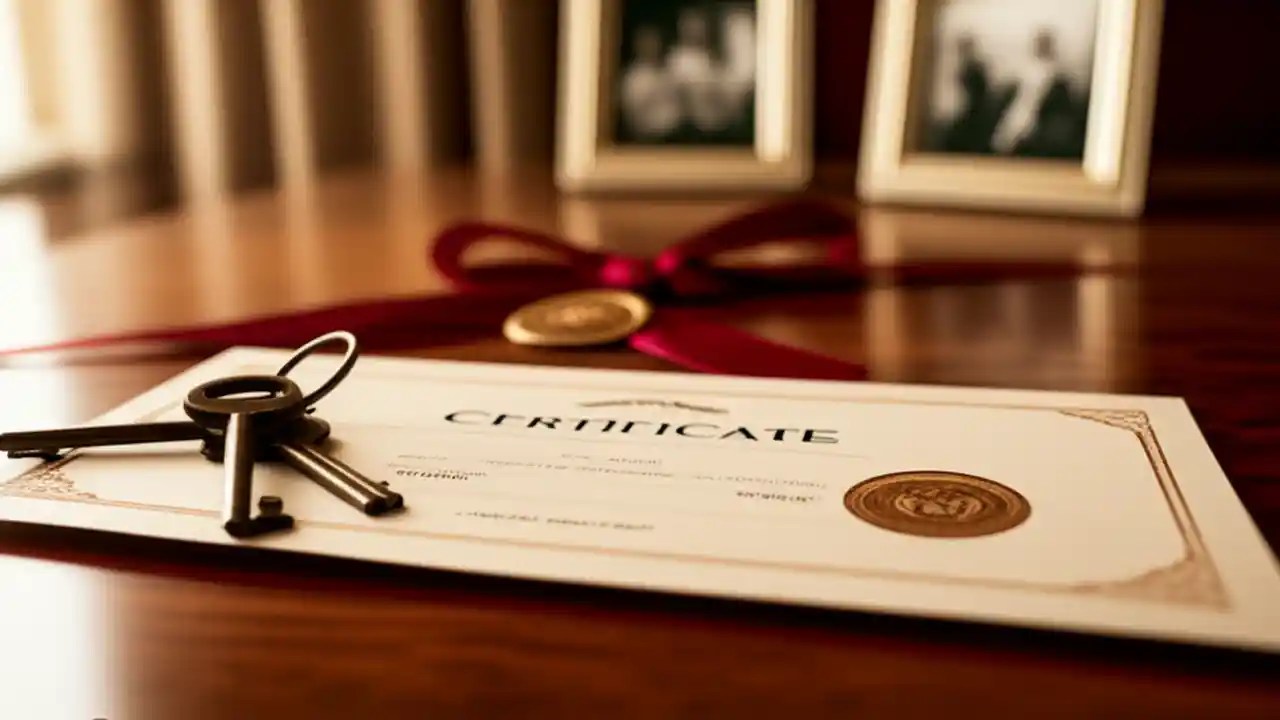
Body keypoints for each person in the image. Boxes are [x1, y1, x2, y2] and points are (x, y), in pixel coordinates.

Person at [991, 29, 1086, 158]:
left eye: (1044, 44)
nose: (1041, 47)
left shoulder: (1057, 75)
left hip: (1041, 122)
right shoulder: (1025, 70)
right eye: (1039, 43)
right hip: (1020, 115)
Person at [619, 24, 682, 140]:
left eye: (655, 43)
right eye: (648, 43)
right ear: (639, 47)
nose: (652, 47)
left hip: (676, 134)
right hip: (648, 138)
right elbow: (632, 113)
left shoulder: (668, 71)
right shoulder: (633, 77)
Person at [942, 34, 993, 153]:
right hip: (973, 110)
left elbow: (979, 91)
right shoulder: (970, 68)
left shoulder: (975, 68)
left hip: (976, 111)